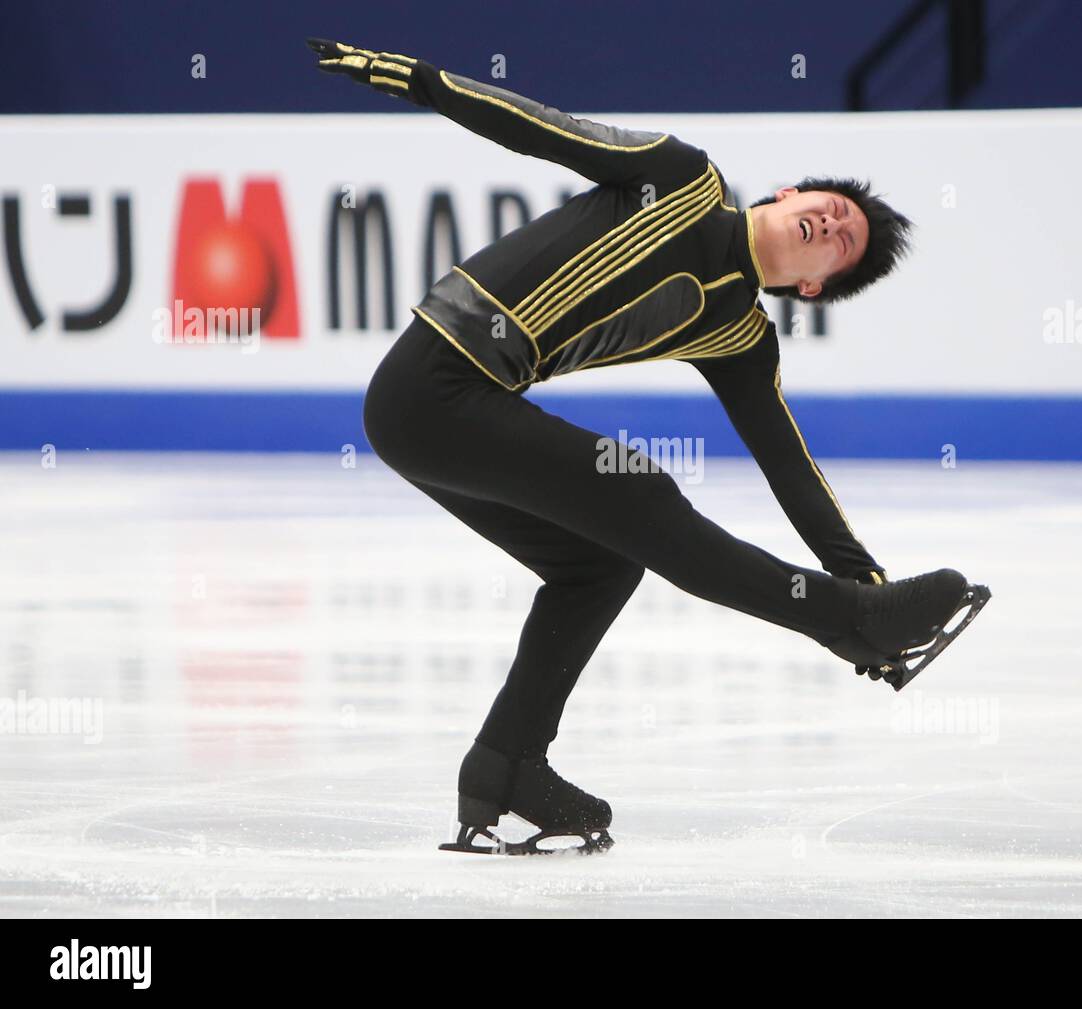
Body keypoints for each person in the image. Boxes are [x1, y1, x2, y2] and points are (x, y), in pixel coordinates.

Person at [307, 39, 989, 855]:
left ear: (813, 286)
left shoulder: (739, 335)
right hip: (431, 383)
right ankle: (846, 625)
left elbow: (791, 468)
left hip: (450, 410)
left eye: (842, 246)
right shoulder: (682, 176)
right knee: (637, 491)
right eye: (835, 208)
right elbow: (541, 127)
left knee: (598, 564)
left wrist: (865, 573)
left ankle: (506, 767)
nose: (834, 225)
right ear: (790, 191)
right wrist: (419, 80)